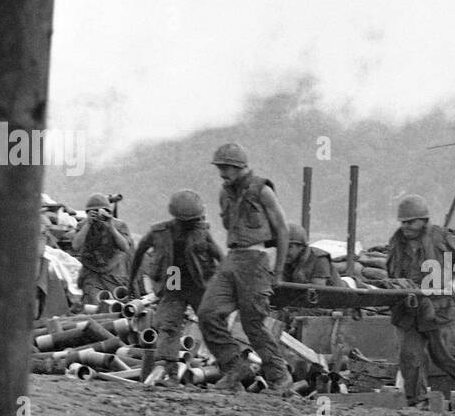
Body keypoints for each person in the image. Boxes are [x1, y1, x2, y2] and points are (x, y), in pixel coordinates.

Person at [197, 142, 293, 393]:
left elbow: (282, 229)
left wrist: (279, 271)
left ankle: (279, 377)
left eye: (227, 167)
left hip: (256, 259)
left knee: (253, 324)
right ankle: (234, 365)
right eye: (220, 167)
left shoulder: (262, 191)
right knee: (208, 313)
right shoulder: (224, 194)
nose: (222, 172)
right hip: (233, 258)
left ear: (240, 166)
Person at [385, 194, 455, 408]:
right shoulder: (396, 243)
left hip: (442, 308)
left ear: (423, 220)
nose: (406, 226)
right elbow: (391, 273)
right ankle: (417, 402)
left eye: (411, 222)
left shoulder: (441, 237)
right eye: (403, 222)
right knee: (410, 357)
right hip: (410, 309)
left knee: (446, 356)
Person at [128, 189, 224, 385]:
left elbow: (220, 257)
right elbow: (139, 250)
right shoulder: (160, 232)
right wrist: (131, 280)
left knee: (211, 324)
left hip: (198, 284)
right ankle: (170, 372)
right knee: (169, 325)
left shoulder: (202, 233)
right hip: (174, 282)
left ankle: (228, 369)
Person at [71, 193, 133, 304]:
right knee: (94, 304)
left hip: (114, 273)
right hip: (92, 273)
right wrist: (88, 225)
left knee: (116, 305)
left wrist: (111, 227)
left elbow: (125, 247)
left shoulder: (119, 225)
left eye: (103, 211)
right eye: (94, 211)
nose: (99, 214)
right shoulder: (83, 225)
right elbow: (75, 246)